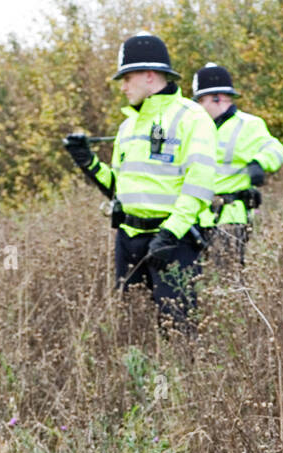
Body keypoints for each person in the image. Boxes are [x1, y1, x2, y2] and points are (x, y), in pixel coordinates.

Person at [63, 33, 217, 327]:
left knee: (178, 331)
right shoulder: (128, 125)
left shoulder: (192, 118)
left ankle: (179, 375)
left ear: (149, 76)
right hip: (128, 241)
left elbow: (198, 186)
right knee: (134, 329)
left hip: (174, 242)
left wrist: (169, 235)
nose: (122, 87)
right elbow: (118, 189)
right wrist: (86, 161)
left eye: (126, 78)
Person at [192, 63, 283, 262]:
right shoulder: (196, 127)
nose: (198, 106)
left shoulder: (249, 125)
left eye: (201, 100)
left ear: (217, 97)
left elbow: (278, 150)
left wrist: (259, 163)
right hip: (196, 219)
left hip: (230, 219)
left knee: (227, 281)